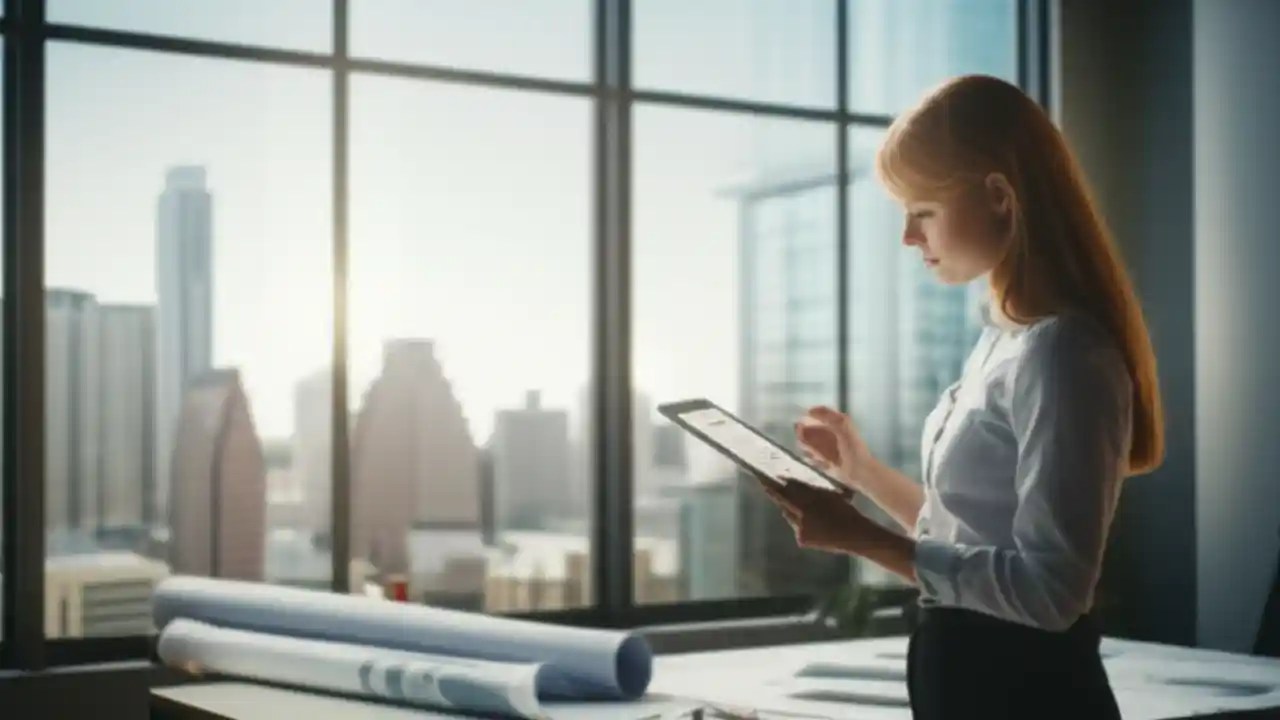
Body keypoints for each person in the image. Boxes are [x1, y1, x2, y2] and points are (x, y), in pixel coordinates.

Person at [758, 74, 1164, 719]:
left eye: (922, 213)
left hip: (1021, 693)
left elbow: (1050, 591)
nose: (908, 239)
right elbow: (970, 536)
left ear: (1000, 196)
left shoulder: (1063, 354)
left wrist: (862, 539)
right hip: (973, 683)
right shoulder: (1004, 342)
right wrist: (861, 475)